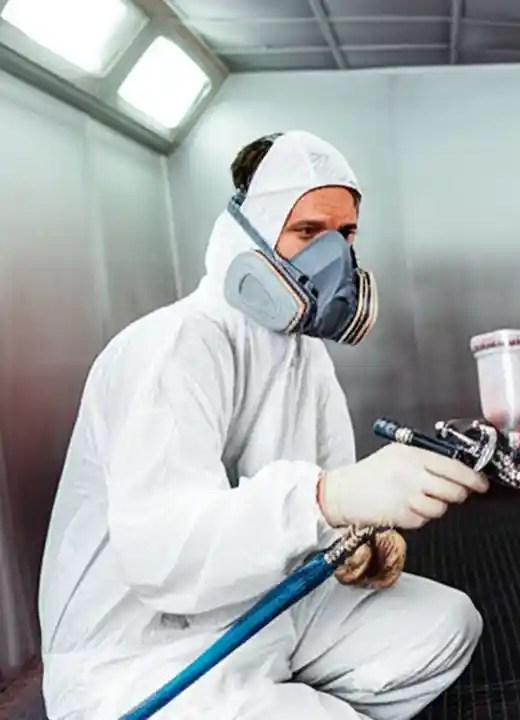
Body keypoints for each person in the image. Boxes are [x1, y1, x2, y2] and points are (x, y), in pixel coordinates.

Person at [37, 131, 486, 719]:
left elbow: (324, 513)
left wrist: (357, 541)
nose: (335, 259)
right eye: (306, 233)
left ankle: (277, 701)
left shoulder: (305, 356)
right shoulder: (173, 346)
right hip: (145, 654)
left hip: (265, 616)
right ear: (245, 235)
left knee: (444, 626)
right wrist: (330, 498)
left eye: (345, 235)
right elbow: (161, 553)